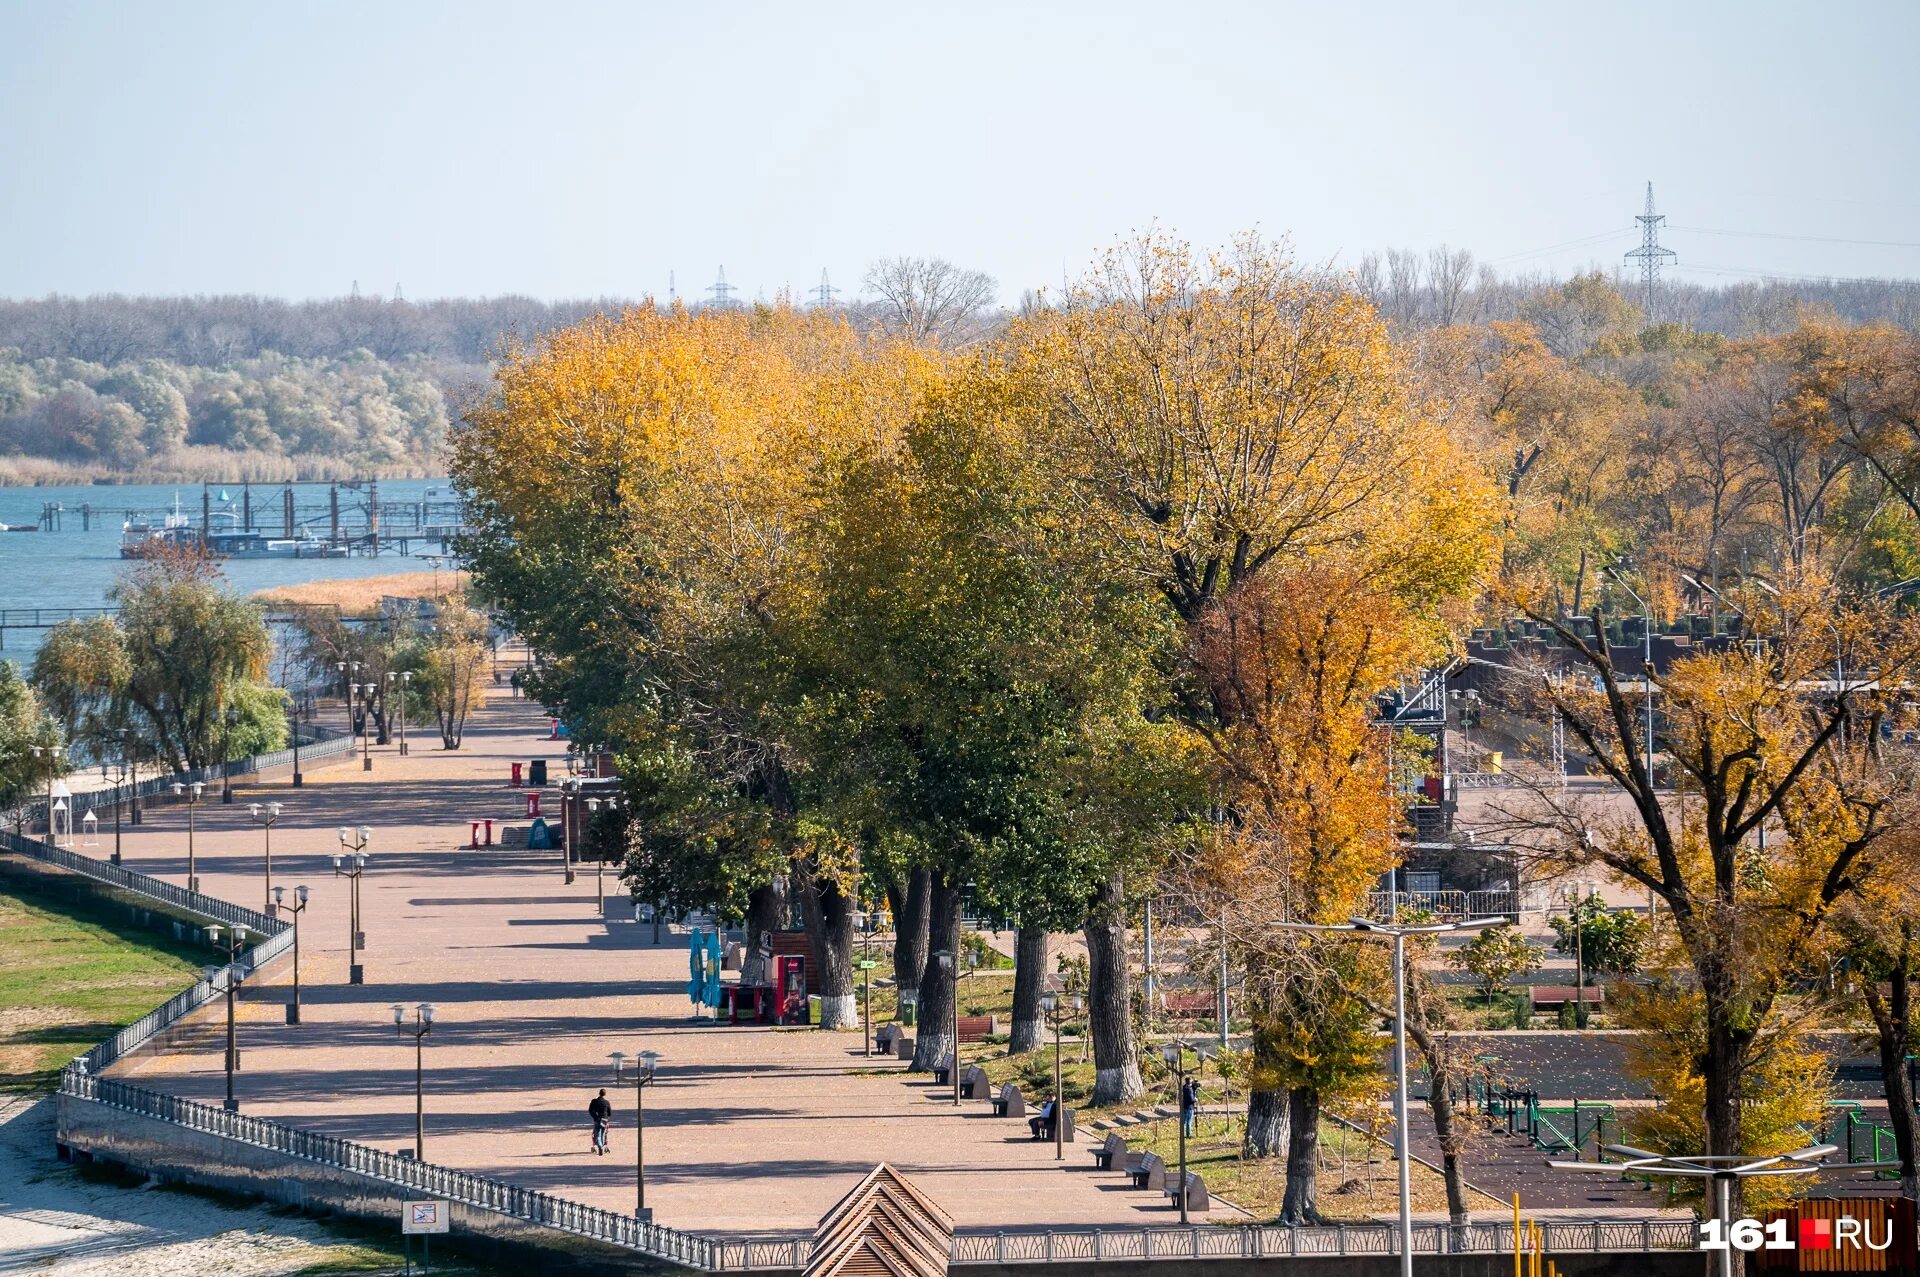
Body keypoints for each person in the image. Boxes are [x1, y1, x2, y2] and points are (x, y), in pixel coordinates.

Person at [588, 1088, 613, 1155]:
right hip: (604, 1119)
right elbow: (609, 1113)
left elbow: (590, 1110)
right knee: (603, 1133)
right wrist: (607, 1118)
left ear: (599, 1093)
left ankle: (600, 1146)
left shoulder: (594, 1101)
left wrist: (595, 1117)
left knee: (597, 1134)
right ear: (605, 1094)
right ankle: (601, 1146)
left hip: (597, 1119)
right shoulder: (607, 1102)